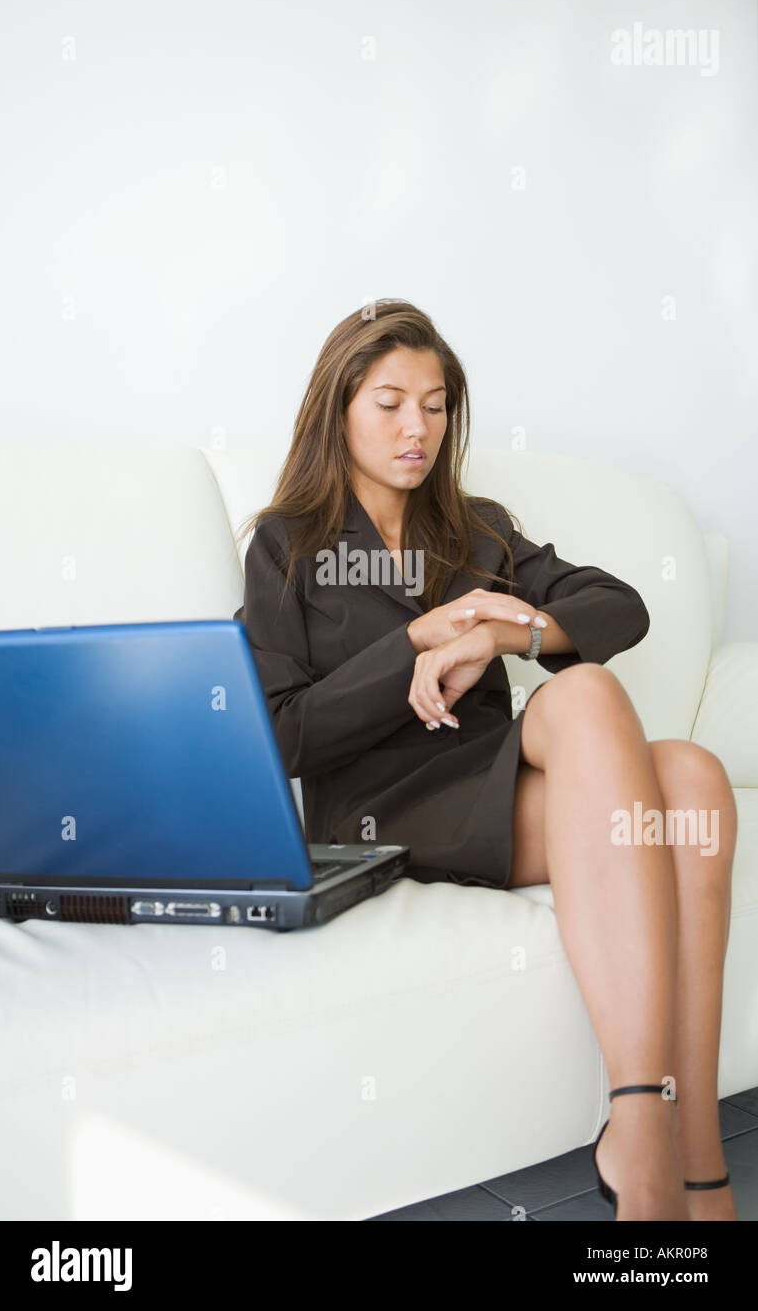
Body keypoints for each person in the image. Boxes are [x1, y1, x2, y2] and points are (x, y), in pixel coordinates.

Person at [234, 299, 738, 1223]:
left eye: (434, 406)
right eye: (390, 403)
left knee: (691, 778)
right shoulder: (286, 544)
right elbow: (282, 735)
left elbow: (618, 605)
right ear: (338, 408)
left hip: (488, 777)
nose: (416, 429)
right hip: (378, 806)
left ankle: (696, 1161)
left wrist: (505, 633)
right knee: (598, 708)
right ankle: (640, 1127)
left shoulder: (477, 529)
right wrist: (416, 640)